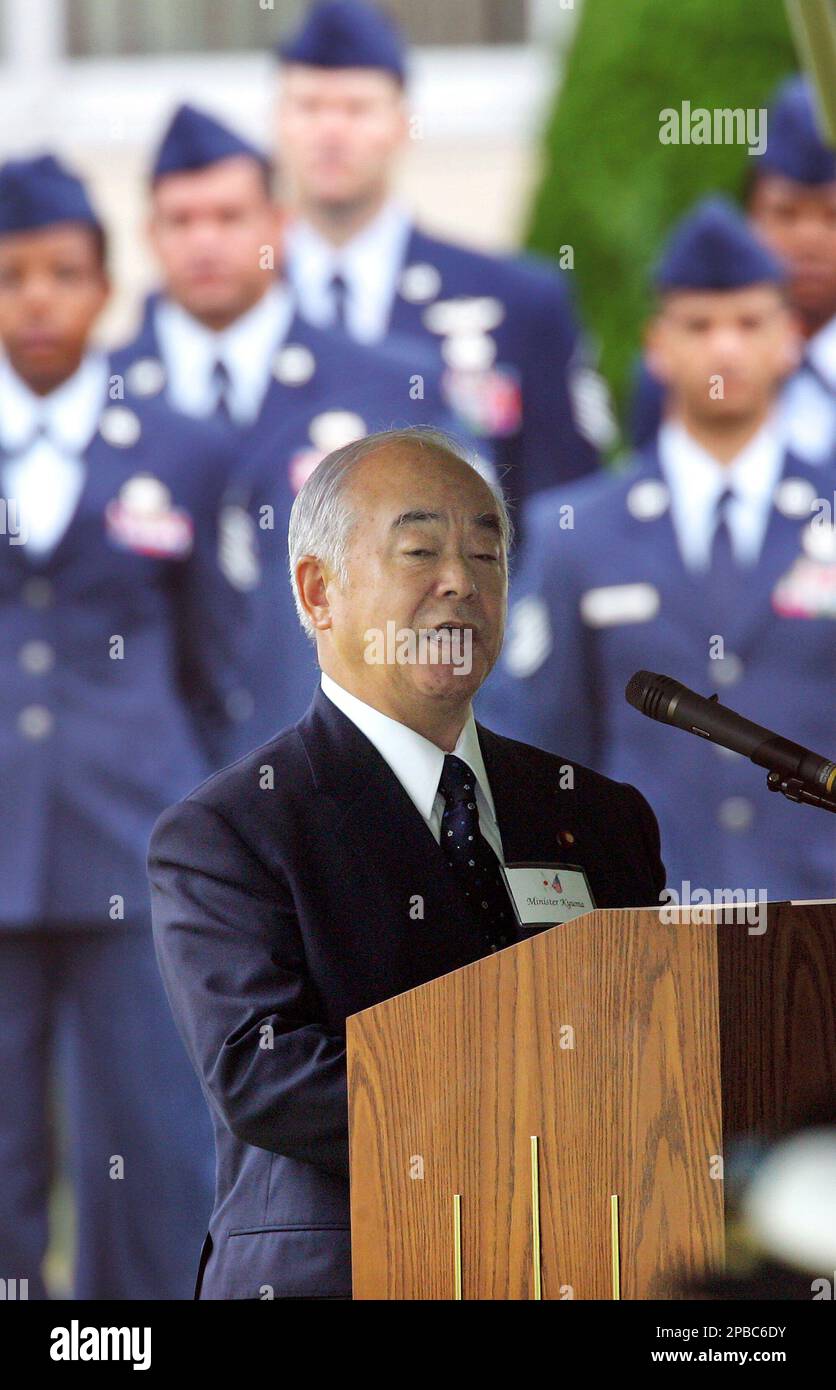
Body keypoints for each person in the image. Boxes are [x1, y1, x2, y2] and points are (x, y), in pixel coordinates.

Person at [148, 425, 665, 1300]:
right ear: (319, 593)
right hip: (341, 1272)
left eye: (487, 556)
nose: (460, 582)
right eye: (419, 550)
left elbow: (658, 1033)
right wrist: (535, 1110)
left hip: (581, 1263)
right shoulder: (230, 832)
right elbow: (270, 1078)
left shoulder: (598, 814)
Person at [0, 155, 248, 1296]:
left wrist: (196, 808)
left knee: (150, 1142)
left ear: (106, 289)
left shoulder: (179, 447)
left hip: (130, 848)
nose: (38, 299)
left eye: (63, 274)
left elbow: (216, 659)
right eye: (12, 277)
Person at [478, 198, 836, 904]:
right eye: (699, 325)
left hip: (821, 924)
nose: (724, 348)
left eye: (748, 322)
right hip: (647, 930)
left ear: (790, 338)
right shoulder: (578, 529)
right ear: (656, 344)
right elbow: (546, 750)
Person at [113, 101, 484, 752]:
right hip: (148, 804)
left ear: (279, 225)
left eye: (229, 217)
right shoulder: (98, 404)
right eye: (181, 220)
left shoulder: (386, 392)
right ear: (150, 236)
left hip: (340, 787)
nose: (205, 241)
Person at [274, 0, 611, 521]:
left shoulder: (514, 302)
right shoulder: (240, 299)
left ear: (404, 123)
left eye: (357, 108)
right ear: (279, 122)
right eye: (310, 106)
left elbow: (564, 506)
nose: (331, 131)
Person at [632, 76, 836, 464]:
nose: (809, 243)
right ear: (752, 216)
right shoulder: (682, 368)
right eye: (785, 213)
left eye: (832, 216)